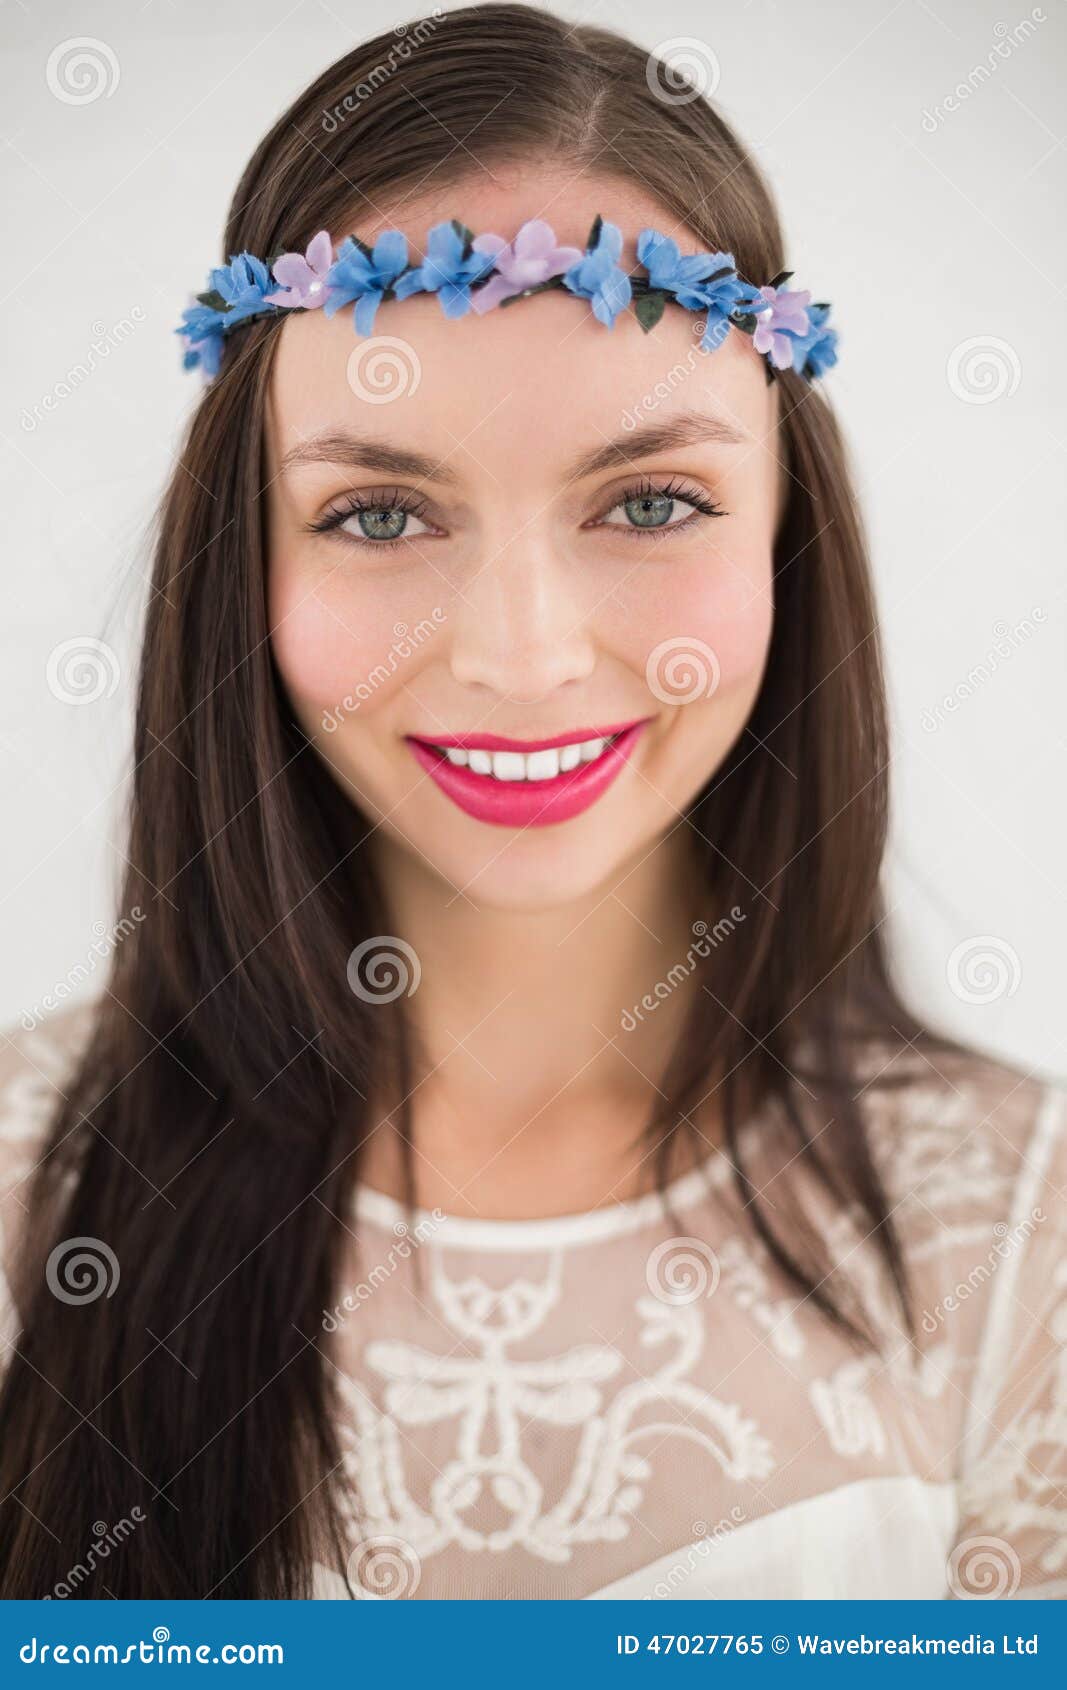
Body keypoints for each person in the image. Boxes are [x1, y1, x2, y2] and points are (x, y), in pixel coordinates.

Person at [0, 4, 1063, 1600]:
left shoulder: (1027, 1253)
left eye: (648, 501)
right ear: (248, 564)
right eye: (377, 510)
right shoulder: (23, 1195)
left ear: (788, 533)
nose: (517, 655)